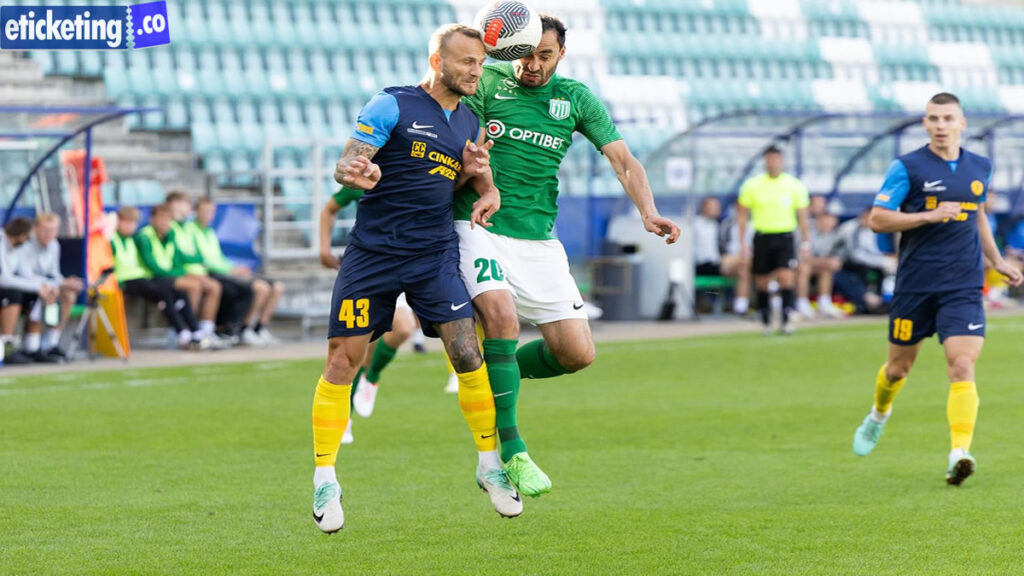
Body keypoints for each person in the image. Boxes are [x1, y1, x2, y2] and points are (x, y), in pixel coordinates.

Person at [453, 14, 681, 497]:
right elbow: (462, 142)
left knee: (577, 354)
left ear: (561, 54)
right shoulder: (487, 82)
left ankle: (489, 375)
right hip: (478, 225)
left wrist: (648, 211)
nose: (533, 65)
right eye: (525, 54)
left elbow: (623, 161)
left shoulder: (575, 98)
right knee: (501, 317)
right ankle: (512, 451)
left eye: (545, 55)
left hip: (538, 239)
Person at [311, 23, 513, 533]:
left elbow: (472, 178)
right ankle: (325, 476)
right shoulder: (391, 103)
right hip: (373, 254)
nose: (476, 71)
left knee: (467, 352)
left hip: (433, 254)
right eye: (466, 61)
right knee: (342, 359)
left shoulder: (469, 120)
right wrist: (355, 170)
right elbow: (347, 162)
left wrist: (485, 186)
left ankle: (489, 465)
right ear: (437, 61)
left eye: (480, 63)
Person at [851, 92, 1023, 485]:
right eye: (934, 118)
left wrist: (997, 261)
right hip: (916, 284)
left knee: (962, 365)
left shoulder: (980, 166)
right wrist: (927, 216)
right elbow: (878, 219)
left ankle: (959, 453)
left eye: (948, 118)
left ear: (962, 123)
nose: (941, 125)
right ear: (925, 124)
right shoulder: (907, 167)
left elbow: (977, 215)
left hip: (963, 283)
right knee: (898, 369)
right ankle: (878, 415)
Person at [318, 186, 418, 442]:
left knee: (404, 328)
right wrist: (324, 249)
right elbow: (329, 209)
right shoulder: (364, 177)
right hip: (367, 268)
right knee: (355, 345)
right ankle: (345, 419)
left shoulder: (412, 176)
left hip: (404, 262)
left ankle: (371, 378)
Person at [111, 207, 210, 350]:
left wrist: (179, 271)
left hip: (142, 277)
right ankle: (182, 331)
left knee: (179, 293)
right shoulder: (131, 238)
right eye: (126, 222)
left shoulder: (134, 239)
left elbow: (178, 259)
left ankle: (194, 331)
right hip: (126, 281)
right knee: (167, 291)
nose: (129, 226)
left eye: (132, 223)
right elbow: (150, 265)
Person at [737, 145, 810, 335]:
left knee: (786, 277)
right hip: (762, 236)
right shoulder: (752, 185)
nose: (773, 163)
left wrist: (805, 242)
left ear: (782, 161)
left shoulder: (793, 185)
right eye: (769, 159)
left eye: (776, 159)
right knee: (762, 281)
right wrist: (742, 242)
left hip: (784, 236)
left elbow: (803, 217)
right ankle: (766, 318)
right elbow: (742, 216)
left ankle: (786, 318)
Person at [192, 197, 284, 346]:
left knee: (277, 287)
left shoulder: (209, 232)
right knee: (260, 288)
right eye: (205, 211)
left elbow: (219, 257)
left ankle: (259, 328)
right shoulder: (191, 231)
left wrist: (235, 267)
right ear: (196, 211)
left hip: (226, 270)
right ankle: (244, 330)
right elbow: (204, 260)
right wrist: (231, 270)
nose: (209, 215)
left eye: (211, 211)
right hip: (215, 273)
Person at [135, 204, 227, 348]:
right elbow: (152, 266)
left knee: (207, 287)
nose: (164, 223)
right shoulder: (144, 236)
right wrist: (181, 273)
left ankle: (199, 331)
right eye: (161, 219)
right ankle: (189, 330)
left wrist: (185, 269)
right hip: (152, 277)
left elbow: (177, 259)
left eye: (167, 219)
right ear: (152, 220)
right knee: (193, 286)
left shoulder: (170, 234)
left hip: (168, 276)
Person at [165, 191, 246, 344]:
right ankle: (186, 330)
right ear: (174, 204)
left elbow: (196, 254)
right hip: (180, 271)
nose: (189, 208)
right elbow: (179, 256)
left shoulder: (186, 228)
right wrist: (198, 260)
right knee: (197, 287)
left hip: (194, 270)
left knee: (217, 287)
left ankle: (205, 331)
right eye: (186, 204)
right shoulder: (173, 227)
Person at [15, 213, 83, 360]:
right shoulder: (25, 245)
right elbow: (26, 275)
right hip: (26, 288)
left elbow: (54, 274)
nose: (48, 234)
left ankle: (51, 343)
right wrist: (55, 284)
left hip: (47, 286)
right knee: (47, 293)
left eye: (52, 230)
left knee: (68, 295)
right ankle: (31, 347)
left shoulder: (54, 245)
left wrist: (66, 282)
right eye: (45, 230)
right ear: (36, 229)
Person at [0, 217, 57, 364]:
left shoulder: (18, 248)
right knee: (13, 295)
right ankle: (6, 346)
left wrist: (46, 286)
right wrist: (38, 287)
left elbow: (26, 274)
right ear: (20, 235)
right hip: (4, 290)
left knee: (38, 296)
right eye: (27, 237)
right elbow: (3, 278)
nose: (27, 241)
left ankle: (33, 346)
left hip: (7, 288)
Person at [693, 196, 749, 312]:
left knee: (743, 269)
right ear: (703, 207)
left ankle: (740, 306)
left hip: (717, 263)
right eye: (711, 206)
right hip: (704, 264)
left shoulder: (719, 225)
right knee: (745, 262)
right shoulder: (696, 224)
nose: (715, 209)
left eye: (717, 207)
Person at [795, 203, 844, 318]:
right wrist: (825, 262)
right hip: (793, 265)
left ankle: (824, 303)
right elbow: (802, 258)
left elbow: (837, 255)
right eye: (825, 220)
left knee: (826, 270)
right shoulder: (806, 231)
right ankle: (801, 303)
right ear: (818, 220)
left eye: (831, 220)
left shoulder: (835, 234)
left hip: (815, 265)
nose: (828, 223)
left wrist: (834, 261)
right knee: (804, 268)